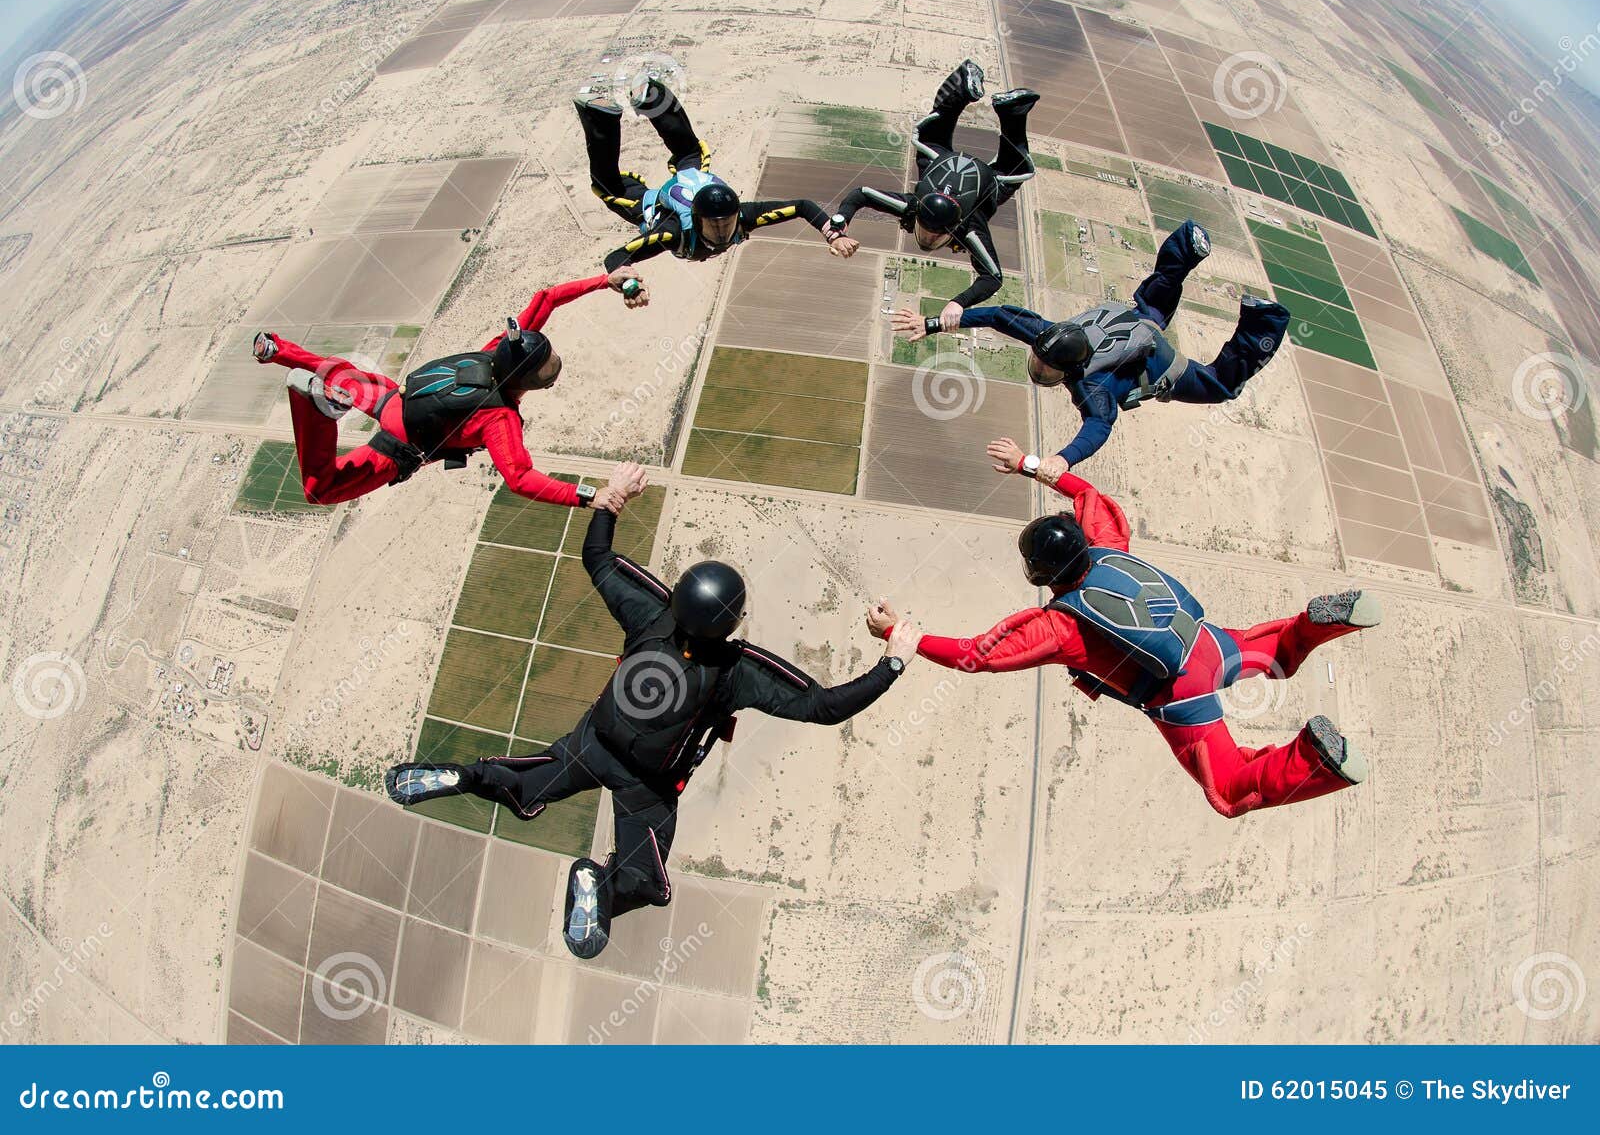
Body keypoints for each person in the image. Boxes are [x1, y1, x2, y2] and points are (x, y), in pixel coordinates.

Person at [386, 462, 924, 959]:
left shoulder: (651, 613)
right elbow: (825, 707)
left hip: (590, 743)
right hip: (647, 786)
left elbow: (596, 558)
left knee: (527, 782)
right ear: (731, 622)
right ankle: (600, 887)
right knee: (648, 882)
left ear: (680, 596)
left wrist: (614, 497)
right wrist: (894, 661)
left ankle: (464, 776)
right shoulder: (739, 670)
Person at [868, 439, 1379, 819]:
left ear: (1041, 575)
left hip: (1179, 693)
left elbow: (977, 654)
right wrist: (1028, 464)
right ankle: (1311, 624)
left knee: (1226, 786)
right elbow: (1090, 495)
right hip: (1206, 641)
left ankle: (1314, 761)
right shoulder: (1108, 546)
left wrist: (904, 637)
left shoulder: (1060, 626)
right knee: (1272, 648)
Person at [893, 219, 1291, 469]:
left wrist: (1060, 460)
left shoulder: (1092, 385)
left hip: (1157, 361)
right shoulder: (1046, 335)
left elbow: (1099, 427)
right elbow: (1000, 316)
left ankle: (1266, 319)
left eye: (1047, 370)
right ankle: (1187, 243)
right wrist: (932, 324)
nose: (1039, 368)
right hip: (1137, 319)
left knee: (1219, 386)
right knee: (1157, 295)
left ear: (1070, 369)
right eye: (1039, 361)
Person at [251, 268, 646, 507]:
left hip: (394, 397)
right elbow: (520, 478)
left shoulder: (498, 349)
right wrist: (588, 496)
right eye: (544, 372)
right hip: (397, 446)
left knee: (341, 373)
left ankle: (275, 349)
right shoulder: (500, 418)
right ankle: (316, 411)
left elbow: (546, 299)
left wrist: (603, 281)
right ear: (527, 382)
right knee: (321, 489)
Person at [575, 79, 859, 284]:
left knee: (686, 151)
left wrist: (833, 234)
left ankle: (647, 98)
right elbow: (619, 256)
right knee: (609, 187)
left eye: (725, 222)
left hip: (694, 183)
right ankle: (617, 110)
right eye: (715, 225)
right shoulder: (672, 232)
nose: (722, 231)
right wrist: (625, 279)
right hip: (656, 204)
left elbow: (801, 206)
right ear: (697, 220)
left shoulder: (743, 218)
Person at [834, 59, 1038, 328]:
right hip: (939, 160)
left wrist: (841, 221)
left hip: (973, 175)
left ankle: (1009, 109)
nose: (928, 237)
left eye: (932, 234)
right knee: (932, 137)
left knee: (1013, 169)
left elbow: (993, 278)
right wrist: (840, 221)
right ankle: (997, 103)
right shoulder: (916, 208)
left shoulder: (964, 226)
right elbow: (862, 194)